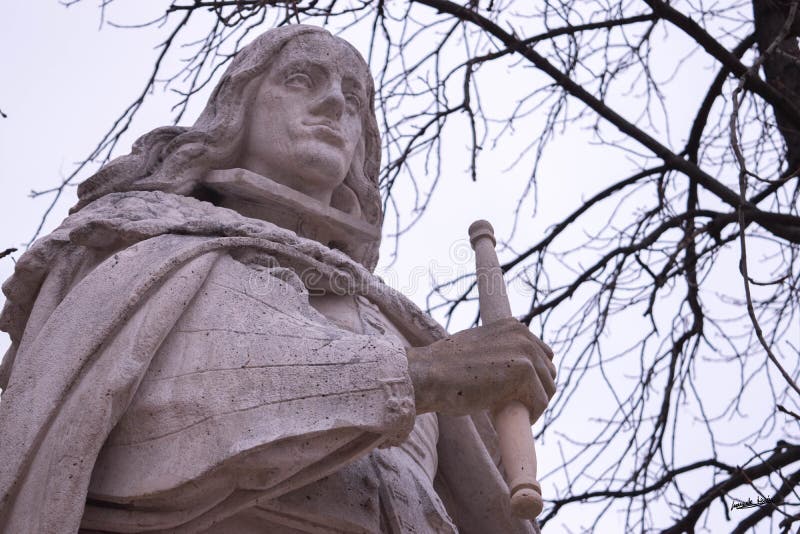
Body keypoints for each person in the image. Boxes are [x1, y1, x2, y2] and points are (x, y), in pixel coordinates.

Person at [0, 25, 556, 533]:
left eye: (354, 96)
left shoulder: (399, 324)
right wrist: (420, 376)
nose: (335, 101)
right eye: (301, 78)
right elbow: (143, 429)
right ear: (236, 115)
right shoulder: (144, 253)